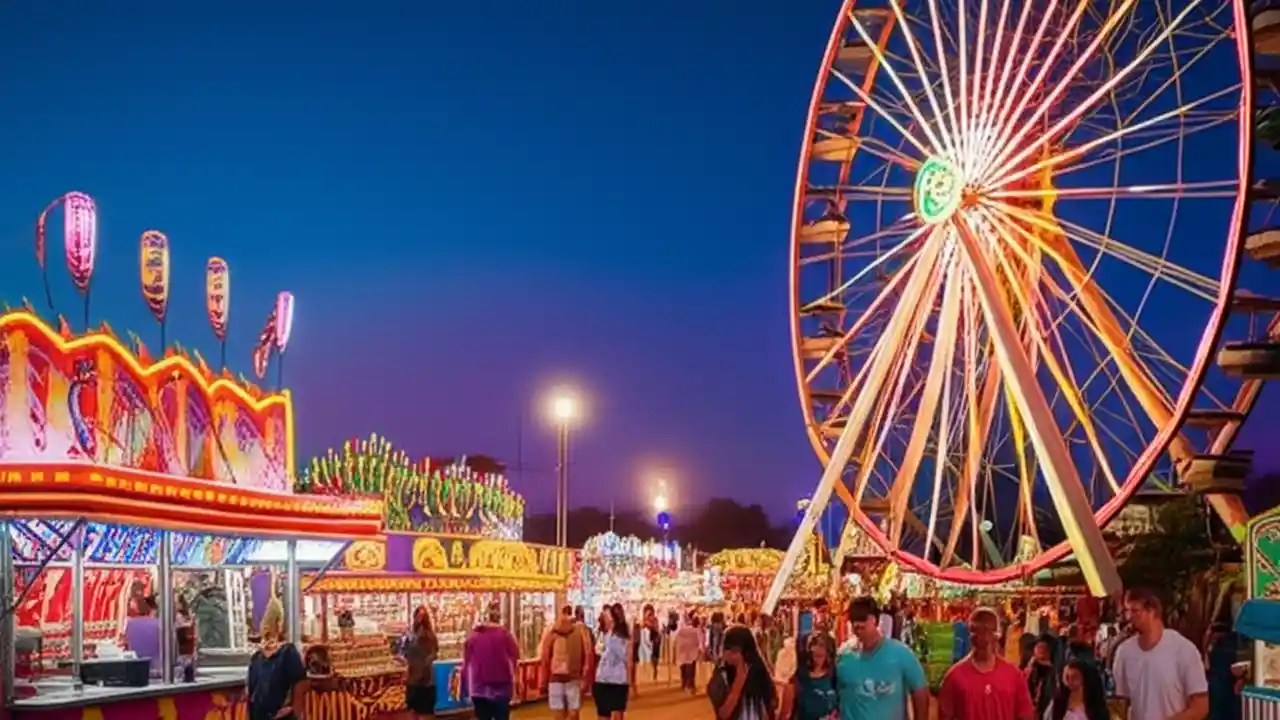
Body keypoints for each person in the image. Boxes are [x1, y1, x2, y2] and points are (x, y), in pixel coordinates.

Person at [1112, 588, 1208, 720]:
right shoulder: (1124, 652)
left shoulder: (1183, 650)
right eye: (1127, 611)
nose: (1129, 617)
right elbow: (1120, 703)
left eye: (1135, 611)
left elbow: (1201, 706)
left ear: (1152, 611)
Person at [835, 596, 929, 720]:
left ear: (874, 620)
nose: (857, 625)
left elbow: (920, 690)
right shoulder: (844, 655)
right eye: (853, 620)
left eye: (862, 619)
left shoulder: (901, 654)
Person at [938, 607, 1035, 720]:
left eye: (987, 632)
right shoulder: (955, 677)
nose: (983, 638)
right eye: (978, 632)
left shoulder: (1014, 676)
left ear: (996, 636)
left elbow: (1026, 715)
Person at [247, 598, 307, 720]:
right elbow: (251, 692)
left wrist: (294, 710)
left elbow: (301, 683)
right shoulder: (257, 657)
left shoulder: (287, 652)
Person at [462, 601, 520, 720]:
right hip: (502, 688)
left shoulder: (474, 636)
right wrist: (516, 679)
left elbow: (466, 664)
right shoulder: (506, 635)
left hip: (478, 689)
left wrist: (464, 688)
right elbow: (515, 656)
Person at [708, 625, 777, 720]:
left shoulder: (759, 672)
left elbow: (770, 705)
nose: (728, 655)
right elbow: (723, 714)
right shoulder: (721, 675)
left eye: (734, 651)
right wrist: (739, 680)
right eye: (726, 649)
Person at [541, 605, 592, 720]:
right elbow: (588, 652)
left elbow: (545, 657)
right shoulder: (580, 630)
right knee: (573, 712)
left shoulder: (552, 632)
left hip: (555, 678)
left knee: (558, 713)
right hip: (573, 677)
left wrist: (543, 682)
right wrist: (586, 676)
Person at [779, 632, 838, 720]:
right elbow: (785, 716)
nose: (819, 649)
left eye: (823, 646)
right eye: (815, 645)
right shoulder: (797, 681)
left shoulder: (833, 677)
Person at [594, 604, 632, 720]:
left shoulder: (615, 637)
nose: (604, 619)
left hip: (609, 679)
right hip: (614, 680)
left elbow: (627, 659)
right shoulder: (617, 636)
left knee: (606, 714)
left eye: (606, 616)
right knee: (613, 713)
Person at [403, 606, 439, 719]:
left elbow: (434, 654)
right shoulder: (411, 635)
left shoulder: (429, 636)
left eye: (422, 617)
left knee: (425, 712)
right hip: (414, 679)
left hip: (425, 680)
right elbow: (406, 653)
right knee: (415, 711)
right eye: (418, 616)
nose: (419, 619)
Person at [1045, 658, 1110, 720]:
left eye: (1075, 677)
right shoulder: (1056, 704)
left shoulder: (1096, 706)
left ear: (1084, 678)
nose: (1070, 681)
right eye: (1067, 677)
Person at [1025, 635, 1058, 720]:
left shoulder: (1055, 673)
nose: (1041, 650)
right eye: (1038, 647)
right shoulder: (1030, 669)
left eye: (1044, 648)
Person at [674, 614, 703, 694]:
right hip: (692, 651)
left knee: (683, 667)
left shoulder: (680, 630)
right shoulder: (697, 630)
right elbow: (700, 641)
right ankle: (690, 685)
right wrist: (701, 650)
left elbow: (676, 640)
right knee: (691, 668)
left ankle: (684, 683)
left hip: (682, 651)